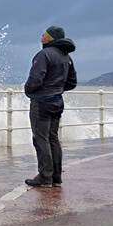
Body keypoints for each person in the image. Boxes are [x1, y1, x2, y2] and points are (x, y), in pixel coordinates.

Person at [23, 25, 76, 187]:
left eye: (45, 34)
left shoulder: (44, 55)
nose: (42, 35)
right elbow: (72, 82)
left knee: (41, 139)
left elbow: (36, 79)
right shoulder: (66, 57)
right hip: (57, 101)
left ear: (51, 37)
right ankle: (56, 177)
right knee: (53, 138)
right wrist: (57, 89)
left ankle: (45, 177)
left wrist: (29, 91)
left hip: (42, 103)